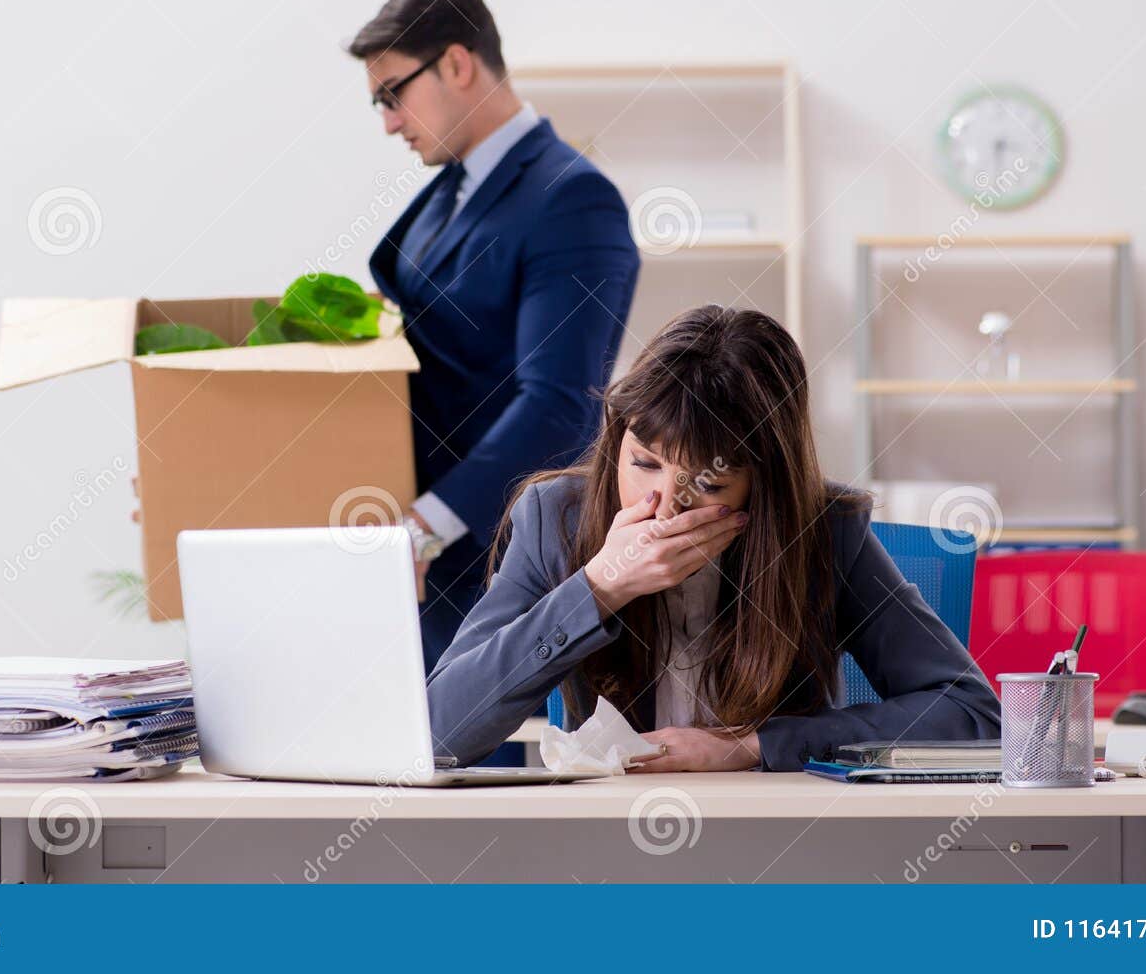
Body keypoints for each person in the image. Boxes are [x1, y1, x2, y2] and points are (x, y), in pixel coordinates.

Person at [425, 305, 1003, 771]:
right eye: (645, 462)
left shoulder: (825, 527)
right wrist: (598, 587)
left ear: (764, 486)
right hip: (609, 840)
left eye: (710, 482)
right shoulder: (556, 519)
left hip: (778, 838)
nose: (663, 507)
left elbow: (973, 714)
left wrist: (753, 745)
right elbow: (437, 732)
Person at [353, 0, 640, 674]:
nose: (388, 120)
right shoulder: (446, 194)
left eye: (392, 93)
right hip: (413, 555)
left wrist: (424, 529)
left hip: (492, 564)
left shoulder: (571, 197)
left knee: (481, 775)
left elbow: (559, 405)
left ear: (456, 63)